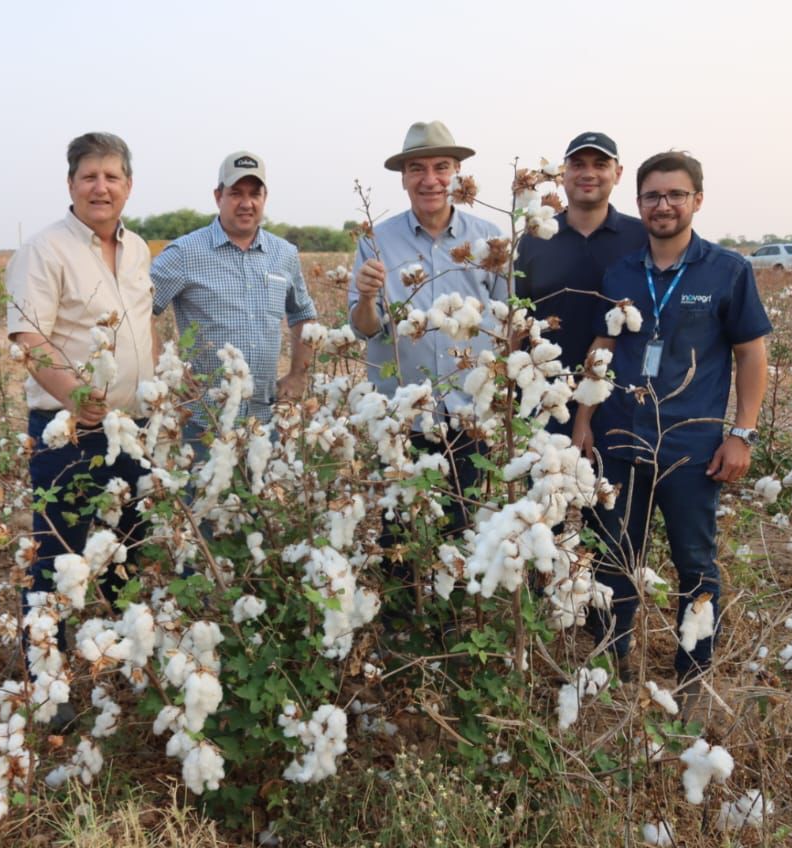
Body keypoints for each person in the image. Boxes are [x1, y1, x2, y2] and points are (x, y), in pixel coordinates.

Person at [571, 151, 771, 705]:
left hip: (691, 446)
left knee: (695, 562)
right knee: (615, 555)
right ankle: (611, 662)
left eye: (675, 195)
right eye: (653, 196)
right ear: (639, 204)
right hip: (619, 438)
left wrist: (742, 433)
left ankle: (694, 673)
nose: (663, 205)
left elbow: (751, 356)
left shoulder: (728, 271)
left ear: (696, 201)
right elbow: (603, 347)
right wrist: (584, 419)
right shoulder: (621, 273)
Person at [5, 131, 156, 669]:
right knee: (58, 556)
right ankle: (46, 672)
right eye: (89, 177)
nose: (101, 187)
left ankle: (127, 656)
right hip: (65, 432)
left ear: (128, 186)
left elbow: (141, 331)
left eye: (111, 176)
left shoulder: (138, 249)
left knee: (129, 546)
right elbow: (29, 338)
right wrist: (76, 396)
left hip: (132, 428)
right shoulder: (44, 250)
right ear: (71, 184)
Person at [348, 120, 506, 619]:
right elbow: (364, 328)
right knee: (398, 527)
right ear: (403, 178)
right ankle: (402, 630)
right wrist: (369, 295)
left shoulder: (489, 239)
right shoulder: (377, 241)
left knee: (459, 528)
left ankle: (452, 629)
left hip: (466, 416)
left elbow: (506, 325)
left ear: (458, 174)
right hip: (400, 417)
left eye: (441, 167)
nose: (430, 178)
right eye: (418, 168)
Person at [151, 151, 317, 439]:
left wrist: (298, 374)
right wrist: (168, 369)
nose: (246, 203)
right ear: (218, 196)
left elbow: (303, 315)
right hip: (204, 421)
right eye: (236, 193)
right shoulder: (185, 253)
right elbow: (138, 311)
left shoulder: (284, 254)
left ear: (265, 197)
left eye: (255, 193)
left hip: (268, 422)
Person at [515, 131, 646, 433]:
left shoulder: (640, 238)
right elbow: (518, 321)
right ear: (563, 173)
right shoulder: (536, 237)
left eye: (600, 164)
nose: (588, 173)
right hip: (545, 403)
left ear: (618, 173)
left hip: (621, 403)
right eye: (578, 164)